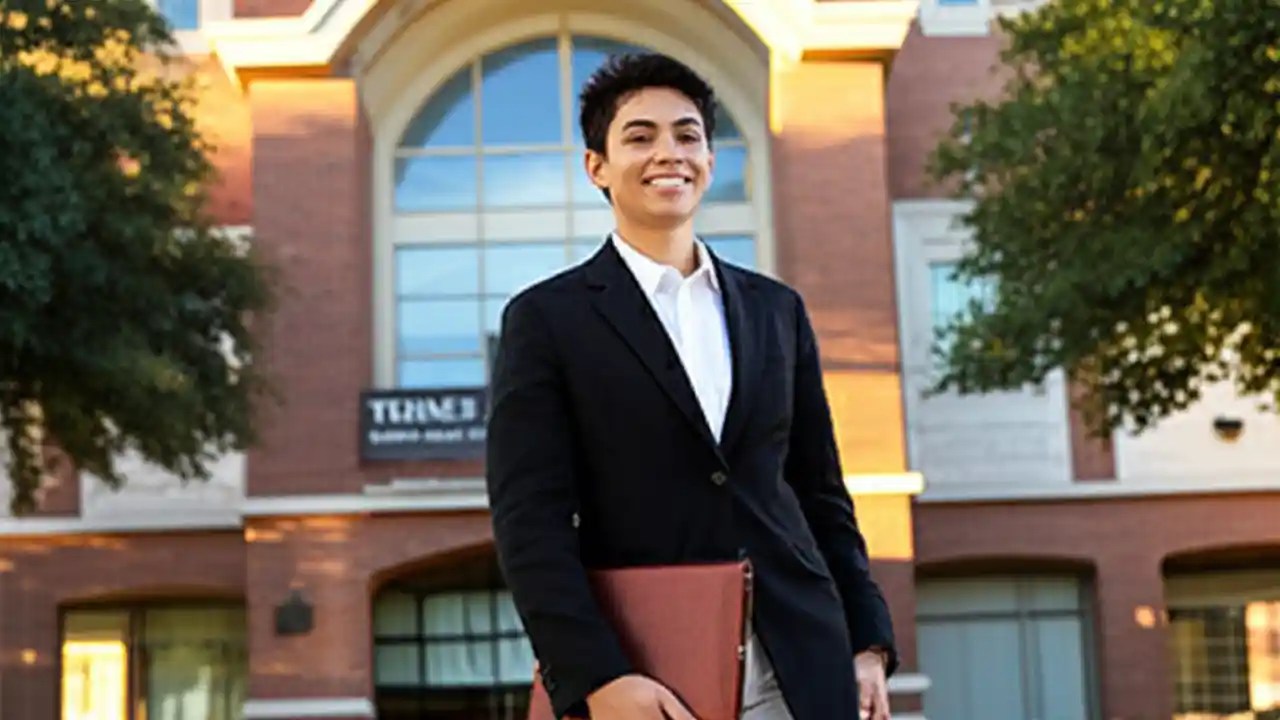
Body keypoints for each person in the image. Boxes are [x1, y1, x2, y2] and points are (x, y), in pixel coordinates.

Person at [485, 52, 896, 720]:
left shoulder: (776, 310)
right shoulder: (545, 320)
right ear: (598, 167)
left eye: (687, 135)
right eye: (639, 137)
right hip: (651, 673)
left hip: (806, 661)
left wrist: (868, 643)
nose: (668, 153)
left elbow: (820, 494)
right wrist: (599, 677)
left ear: (709, 157)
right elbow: (529, 524)